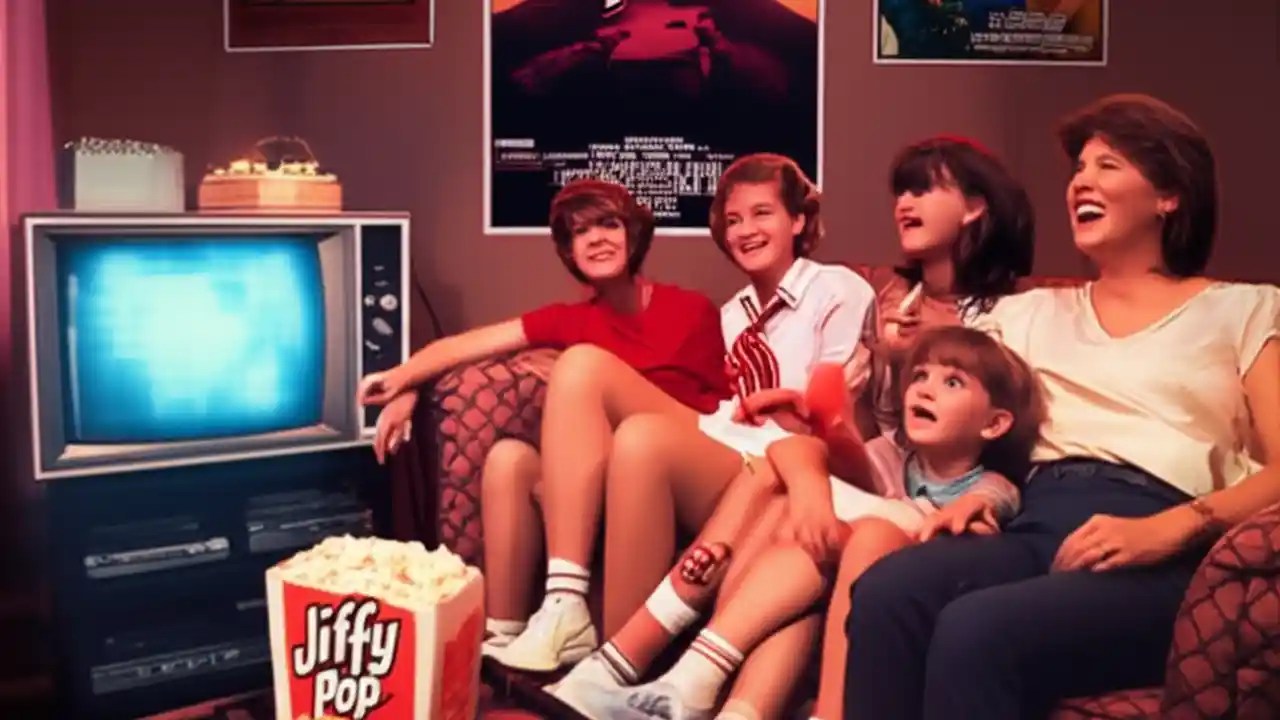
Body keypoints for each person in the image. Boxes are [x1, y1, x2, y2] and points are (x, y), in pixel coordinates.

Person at [549, 134, 1037, 719]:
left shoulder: (1007, 317)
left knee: (784, 492)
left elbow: (987, 467)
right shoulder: (891, 300)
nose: (904, 202)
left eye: (924, 189)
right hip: (850, 470)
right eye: (900, 191)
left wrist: (819, 420)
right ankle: (677, 684)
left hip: (894, 502)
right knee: (782, 488)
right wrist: (841, 398)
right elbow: (870, 434)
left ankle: (646, 668)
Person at [845, 93, 1280, 720]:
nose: (1081, 180)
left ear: (1170, 194)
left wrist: (1172, 528)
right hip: (1039, 522)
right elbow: (949, 416)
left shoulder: (1244, 309)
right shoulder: (1024, 315)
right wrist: (980, 492)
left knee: (978, 630)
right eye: (1078, 167)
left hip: (1165, 546)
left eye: (1108, 165)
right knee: (888, 591)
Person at [490, 153, 878, 674]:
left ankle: (615, 659)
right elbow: (698, 394)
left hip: (792, 469)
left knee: (641, 433)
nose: (746, 231)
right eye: (734, 221)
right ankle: (564, 630)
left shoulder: (837, 289)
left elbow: (833, 411)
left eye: (762, 214)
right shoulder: (732, 314)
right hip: (733, 447)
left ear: (799, 221)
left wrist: (793, 409)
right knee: (555, 437)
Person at [571, 325, 1043, 720]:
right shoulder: (888, 458)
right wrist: (810, 487)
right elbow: (798, 451)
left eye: (952, 382)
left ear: (995, 424)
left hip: (905, 574)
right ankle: (699, 692)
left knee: (810, 510)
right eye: (920, 375)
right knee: (784, 493)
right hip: (832, 572)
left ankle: (655, 666)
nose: (924, 388)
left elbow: (997, 497)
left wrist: (966, 509)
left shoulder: (991, 484)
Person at [354, 178, 730, 639]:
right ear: (569, 252)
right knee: (510, 461)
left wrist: (590, 375)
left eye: (609, 224)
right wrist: (404, 384)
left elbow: (719, 415)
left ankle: (567, 601)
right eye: (580, 232)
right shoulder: (572, 320)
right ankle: (506, 632)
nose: (597, 239)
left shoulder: (690, 309)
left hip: (682, 465)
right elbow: (469, 344)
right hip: (612, 472)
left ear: (632, 232)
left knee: (583, 365)